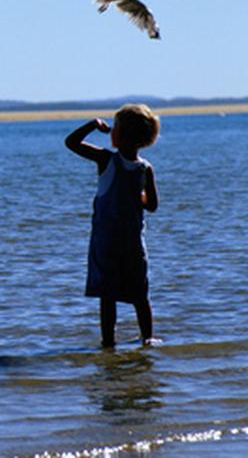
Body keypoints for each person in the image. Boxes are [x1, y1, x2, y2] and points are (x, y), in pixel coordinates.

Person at [65, 104, 160, 348]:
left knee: (107, 296)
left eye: (115, 127)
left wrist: (92, 124)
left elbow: (71, 143)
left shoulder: (107, 159)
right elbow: (152, 205)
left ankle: (108, 342)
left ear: (120, 135)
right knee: (140, 294)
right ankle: (148, 338)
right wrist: (136, 196)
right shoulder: (145, 168)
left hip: (106, 241)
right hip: (133, 242)